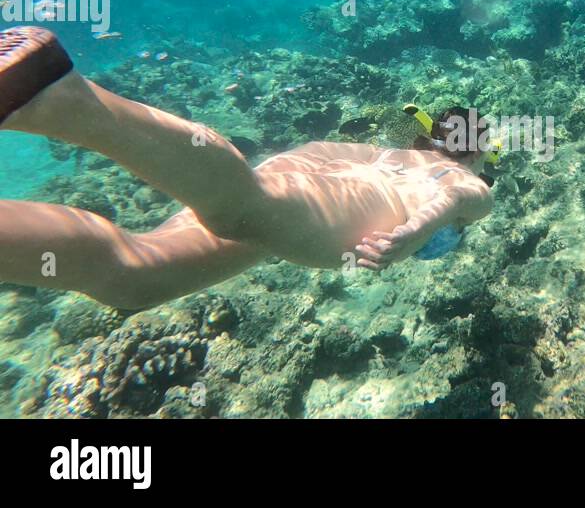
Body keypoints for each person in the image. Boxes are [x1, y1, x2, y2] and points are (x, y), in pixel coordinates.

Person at [0, 27, 493, 309]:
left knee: (139, 276)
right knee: (239, 207)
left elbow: (320, 154)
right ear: (472, 151)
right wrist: (411, 232)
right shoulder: (458, 173)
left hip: (317, 173)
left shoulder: (396, 155)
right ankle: (59, 97)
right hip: (346, 206)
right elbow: (455, 198)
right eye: (485, 153)